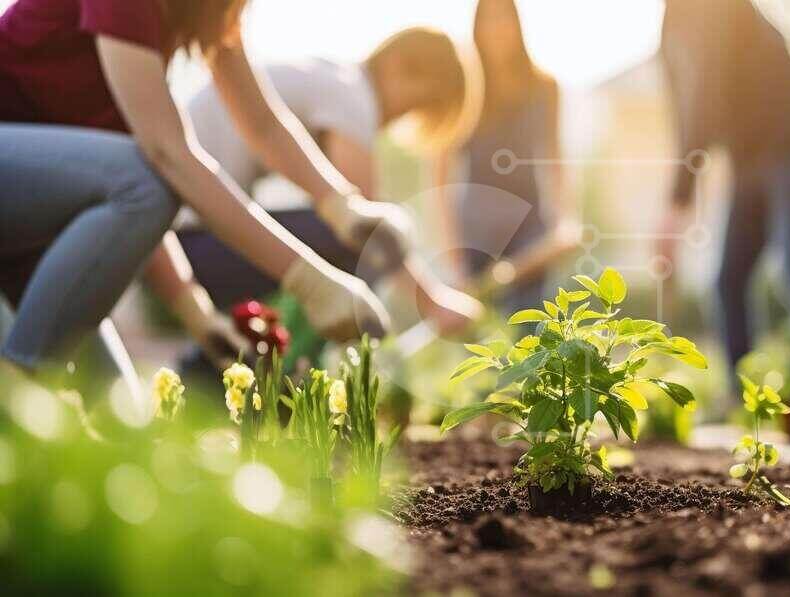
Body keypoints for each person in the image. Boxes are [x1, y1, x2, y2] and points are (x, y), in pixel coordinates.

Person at [0, 0, 412, 402]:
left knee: (116, 423)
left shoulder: (200, 13)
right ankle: (12, 394)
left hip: (33, 229)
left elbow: (262, 124)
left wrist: (340, 205)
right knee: (146, 182)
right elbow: (164, 160)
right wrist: (310, 282)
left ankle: (20, 390)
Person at [177, 27, 483, 370]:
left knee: (334, 241)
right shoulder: (354, 96)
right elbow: (368, 230)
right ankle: (293, 370)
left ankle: (220, 361)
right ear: (397, 65)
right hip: (190, 242)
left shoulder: (333, 78)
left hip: (186, 237)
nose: (395, 121)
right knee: (356, 244)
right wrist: (433, 303)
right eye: (411, 107)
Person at [656, 0, 790, 380]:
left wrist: (678, 203)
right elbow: (684, 114)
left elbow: (705, 97)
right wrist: (677, 198)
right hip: (749, 161)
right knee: (728, 280)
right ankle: (742, 393)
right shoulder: (670, 26)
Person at [433, 0, 575, 314]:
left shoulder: (545, 87)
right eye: (489, 19)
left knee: (534, 325)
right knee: (478, 333)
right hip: (476, 236)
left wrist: (565, 220)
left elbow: (555, 161)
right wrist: (454, 257)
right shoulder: (461, 88)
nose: (497, 28)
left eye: (504, 17)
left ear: (518, 23)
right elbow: (440, 178)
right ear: (476, 27)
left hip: (530, 235)